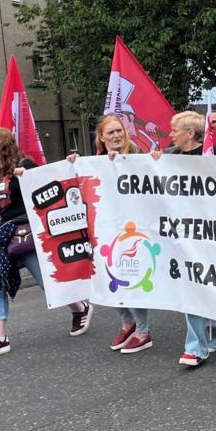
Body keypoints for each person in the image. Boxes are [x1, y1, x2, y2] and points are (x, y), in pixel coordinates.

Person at [0, 127, 91, 359]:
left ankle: (80, 307)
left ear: (0, 145)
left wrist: (29, 175)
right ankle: (0, 338)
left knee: (48, 282)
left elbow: (50, 181)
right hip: (1, 238)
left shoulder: (25, 165)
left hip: (24, 237)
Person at [68, 114, 154, 354]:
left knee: (133, 276)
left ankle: (143, 332)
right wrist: (72, 164)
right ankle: (128, 322)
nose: (117, 135)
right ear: (101, 137)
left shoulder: (136, 155)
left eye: (120, 131)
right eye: (111, 132)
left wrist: (130, 161)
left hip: (133, 228)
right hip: (106, 229)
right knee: (107, 278)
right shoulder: (94, 161)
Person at [161, 111, 216, 367]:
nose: (170, 135)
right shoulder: (167, 157)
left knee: (207, 281)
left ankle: (215, 335)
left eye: (174, 130)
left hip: (213, 233)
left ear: (190, 133)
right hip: (184, 234)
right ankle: (198, 346)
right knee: (193, 283)